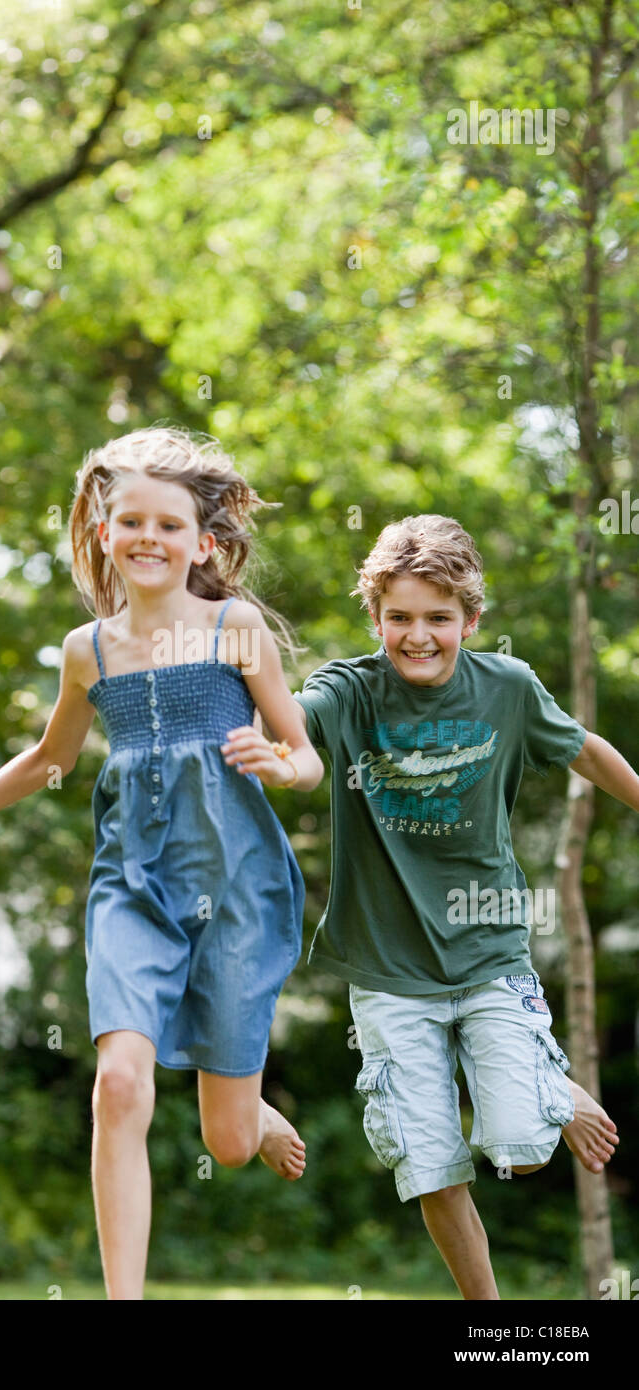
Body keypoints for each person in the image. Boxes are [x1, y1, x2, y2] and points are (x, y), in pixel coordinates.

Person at [0, 424, 323, 1300]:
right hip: (133, 886)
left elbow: (306, 756)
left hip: (234, 886)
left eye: (171, 525)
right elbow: (46, 760)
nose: (149, 537)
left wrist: (281, 764)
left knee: (225, 1143)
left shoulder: (236, 628)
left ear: (204, 542)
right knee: (118, 1085)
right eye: (131, 522)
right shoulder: (90, 651)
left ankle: (248, 1115)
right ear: (104, 532)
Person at [287, 513, 627, 1301]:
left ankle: (548, 1086)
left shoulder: (506, 689)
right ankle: (491, 1321)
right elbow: (296, 733)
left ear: (471, 620)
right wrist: (270, 750)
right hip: (386, 967)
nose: (417, 636)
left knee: (522, 1149)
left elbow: (584, 748)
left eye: (438, 618)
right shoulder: (348, 690)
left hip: (486, 954)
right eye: (399, 617)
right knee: (431, 1166)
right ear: (374, 618)